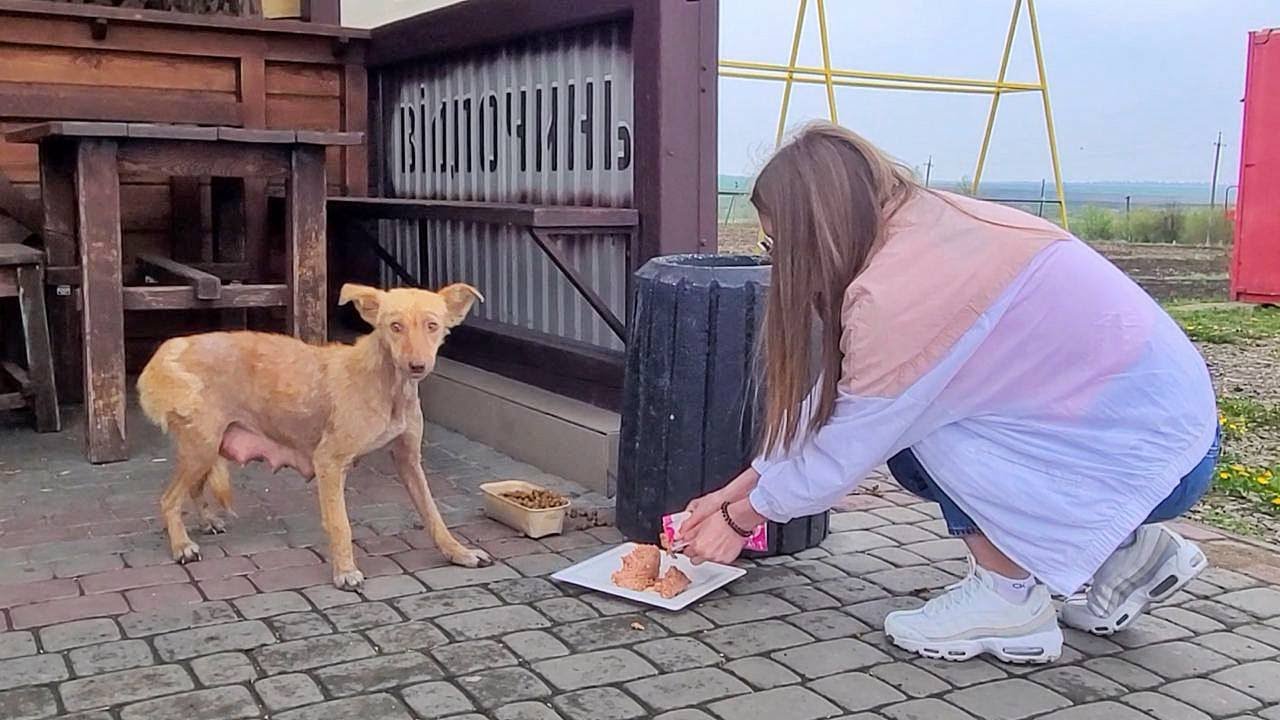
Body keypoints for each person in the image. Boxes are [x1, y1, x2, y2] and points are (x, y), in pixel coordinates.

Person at [674, 123, 1219, 664]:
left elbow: (844, 449)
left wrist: (740, 520)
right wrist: (738, 489)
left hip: (1146, 460)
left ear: (814, 228)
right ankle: (1124, 556)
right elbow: (837, 398)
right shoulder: (923, 229)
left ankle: (1008, 602)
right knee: (918, 428)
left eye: (776, 242)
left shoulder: (902, 295)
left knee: (922, 437)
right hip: (1162, 443)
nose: (776, 259)